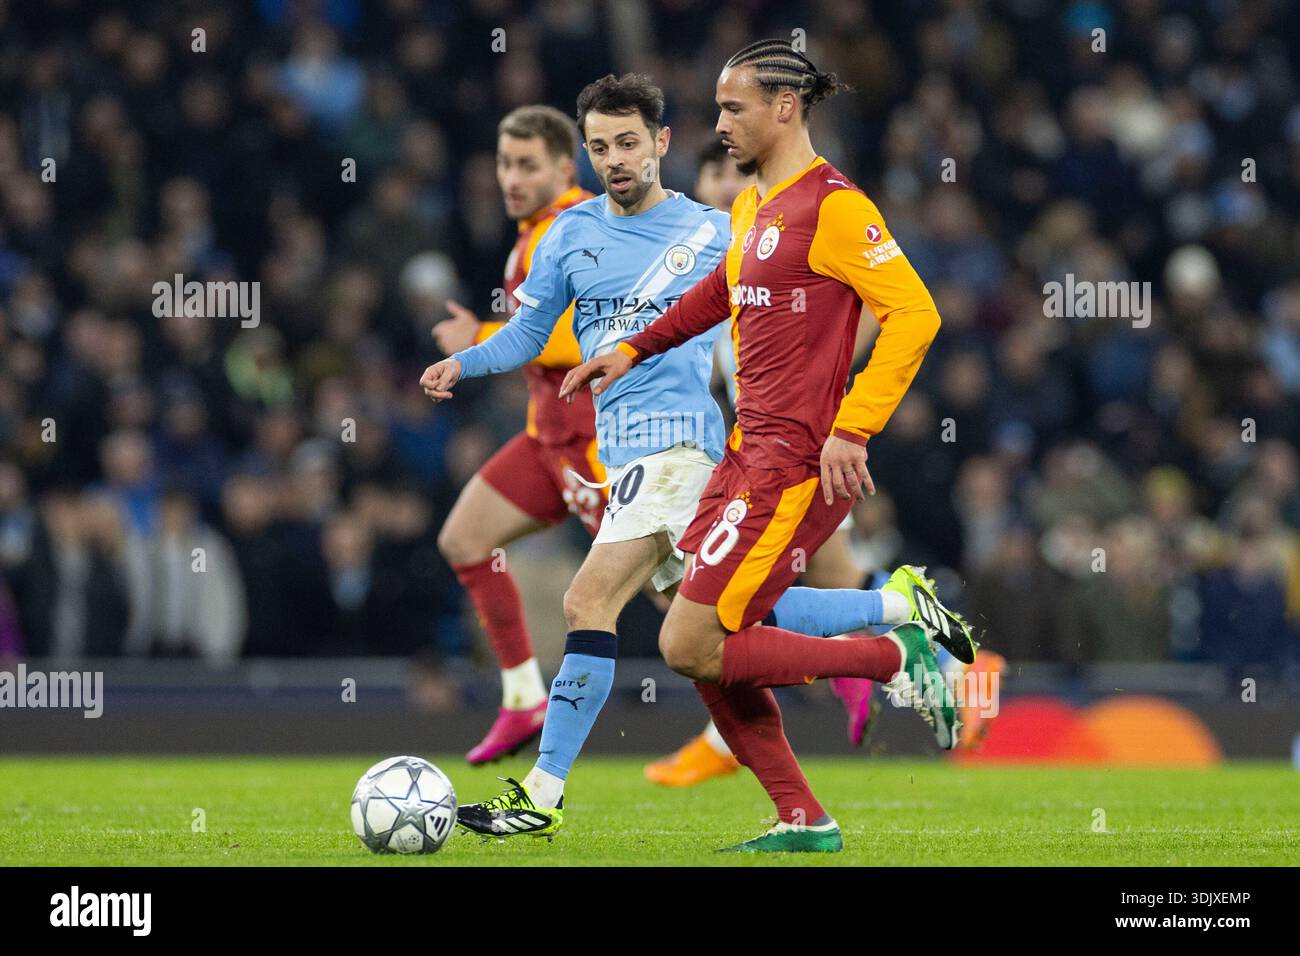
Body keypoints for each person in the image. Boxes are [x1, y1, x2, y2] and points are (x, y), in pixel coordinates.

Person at [422, 73, 969, 842]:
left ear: (660, 145)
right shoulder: (570, 236)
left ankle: (540, 796)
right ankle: (886, 643)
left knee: (590, 603)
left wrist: (833, 406)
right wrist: (467, 361)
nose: (616, 159)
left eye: (629, 143)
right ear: (587, 154)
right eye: (601, 146)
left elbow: (811, 303)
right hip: (628, 459)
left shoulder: (709, 228)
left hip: (683, 449)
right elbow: (525, 334)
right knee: (718, 645)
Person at [645, 140, 882, 787]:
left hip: (801, 452)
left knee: (737, 598)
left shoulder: (796, 232)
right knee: (760, 588)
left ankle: (923, 653)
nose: (725, 184)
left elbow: (874, 311)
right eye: (713, 173)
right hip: (753, 452)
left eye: (734, 172)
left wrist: (835, 410)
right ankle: (899, 651)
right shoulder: (731, 253)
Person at [430, 105, 599, 765]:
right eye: (504, 163)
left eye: (527, 164)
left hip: (599, 449)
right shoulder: (532, 232)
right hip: (547, 440)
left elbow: (562, 340)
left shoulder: (578, 227)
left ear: (564, 167)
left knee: (687, 610)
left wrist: (473, 340)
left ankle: (849, 654)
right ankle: (524, 696)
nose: (511, 177)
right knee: (465, 538)